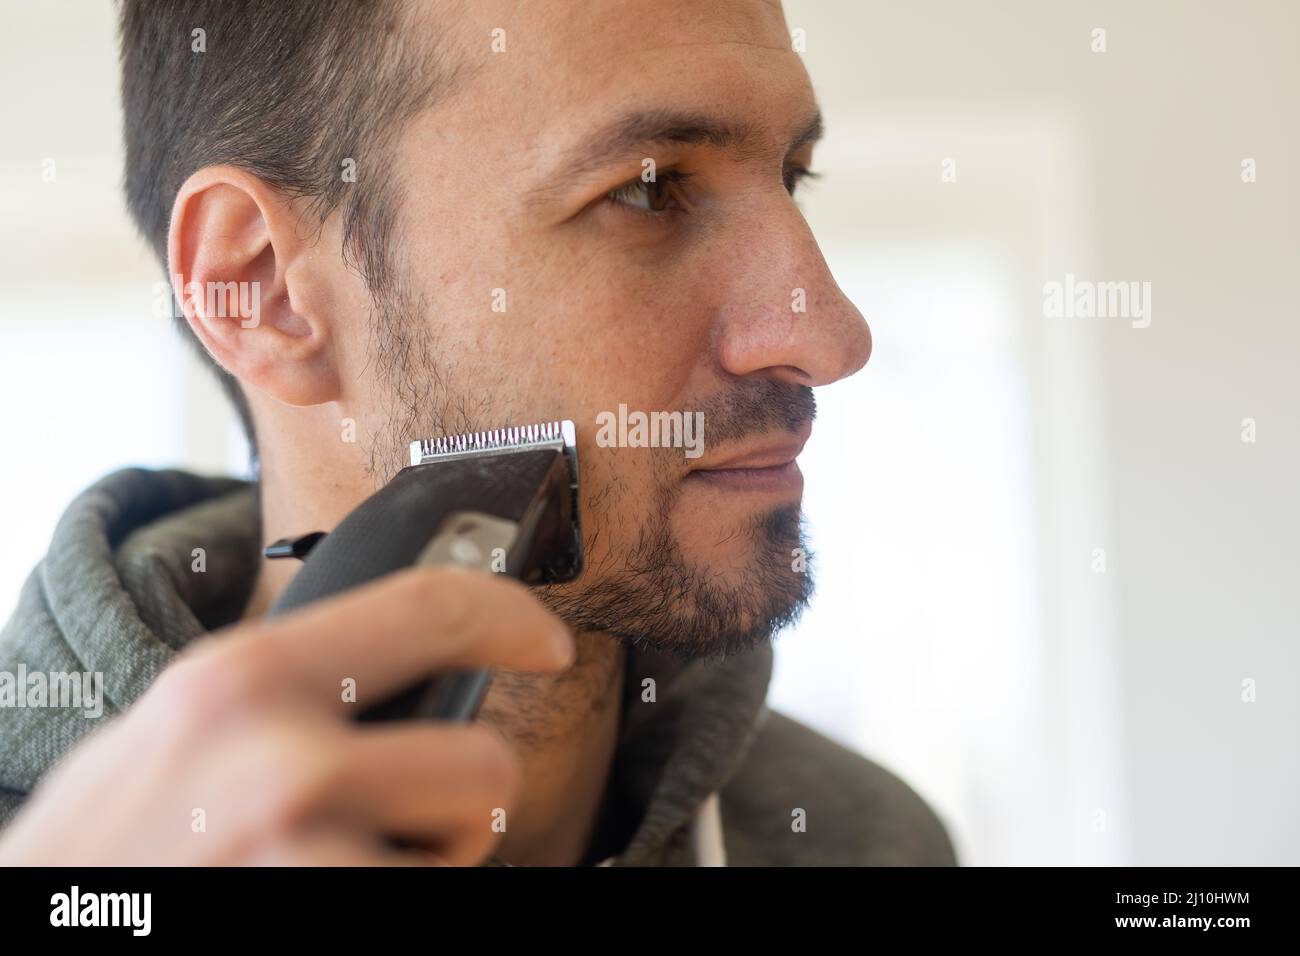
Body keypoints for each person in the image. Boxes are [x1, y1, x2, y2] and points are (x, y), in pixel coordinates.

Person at [0, 0, 954, 866]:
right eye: (649, 190)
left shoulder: (870, 839)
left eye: (792, 175)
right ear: (261, 291)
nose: (831, 336)